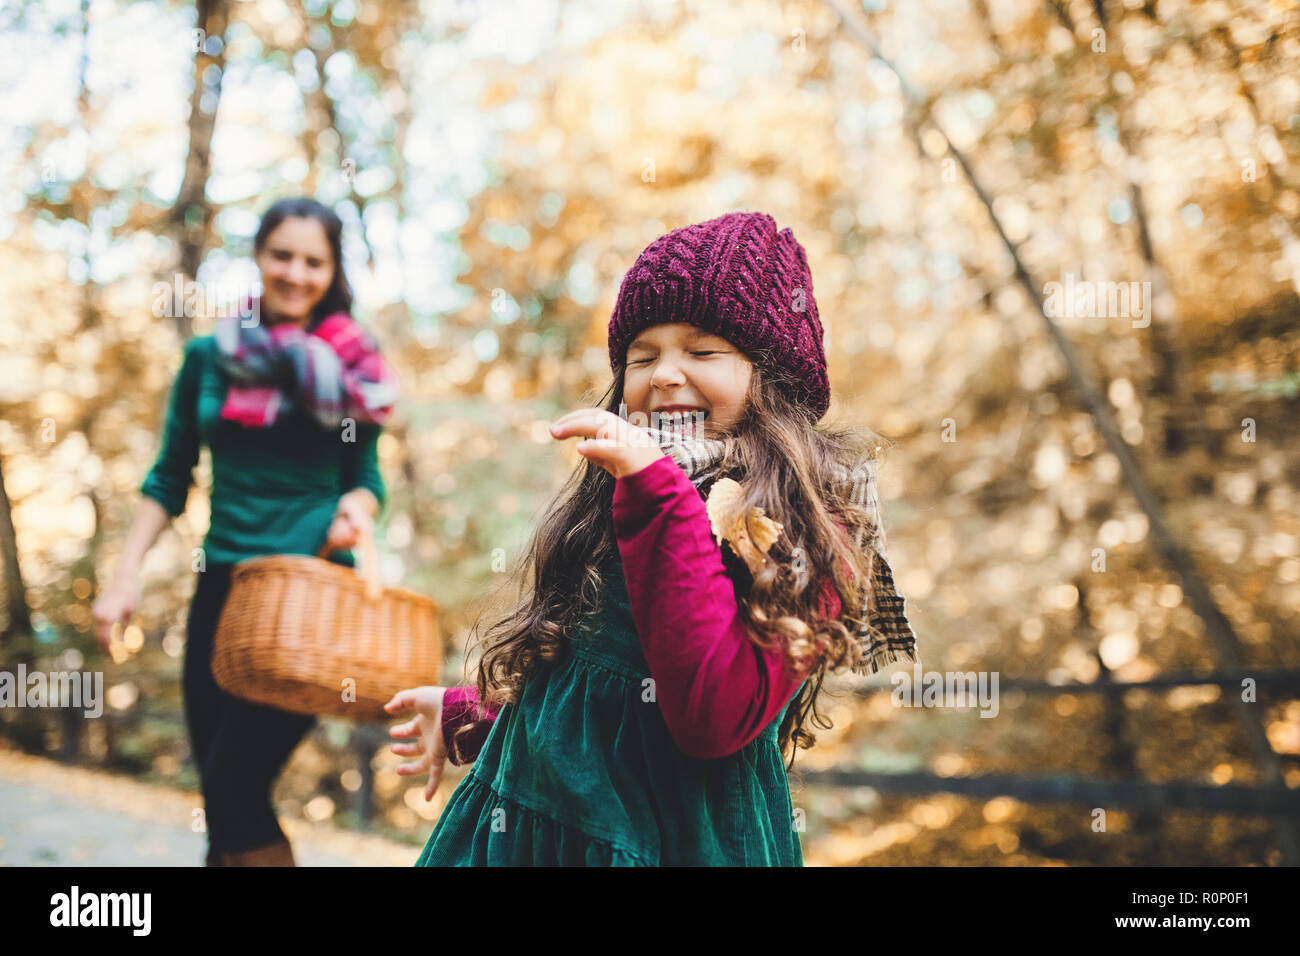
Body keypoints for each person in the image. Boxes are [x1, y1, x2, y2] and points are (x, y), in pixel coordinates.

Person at [384, 211, 917, 866]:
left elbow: (708, 719)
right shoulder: (621, 499)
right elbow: (600, 687)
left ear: (772, 378)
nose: (664, 374)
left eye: (701, 350)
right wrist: (481, 717)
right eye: (642, 355)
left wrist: (658, 497)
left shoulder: (800, 532)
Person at [92, 197, 397, 866]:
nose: (295, 272)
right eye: (281, 255)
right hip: (221, 589)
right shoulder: (208, 358)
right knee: (221, 799)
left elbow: (366, 478)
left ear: (332, 269)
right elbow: (169, 477)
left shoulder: (351, 367)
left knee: (233, 790)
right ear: (258, 257)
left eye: (313, 260)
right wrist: (123, 577)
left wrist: (358, 511)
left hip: (308, 600)